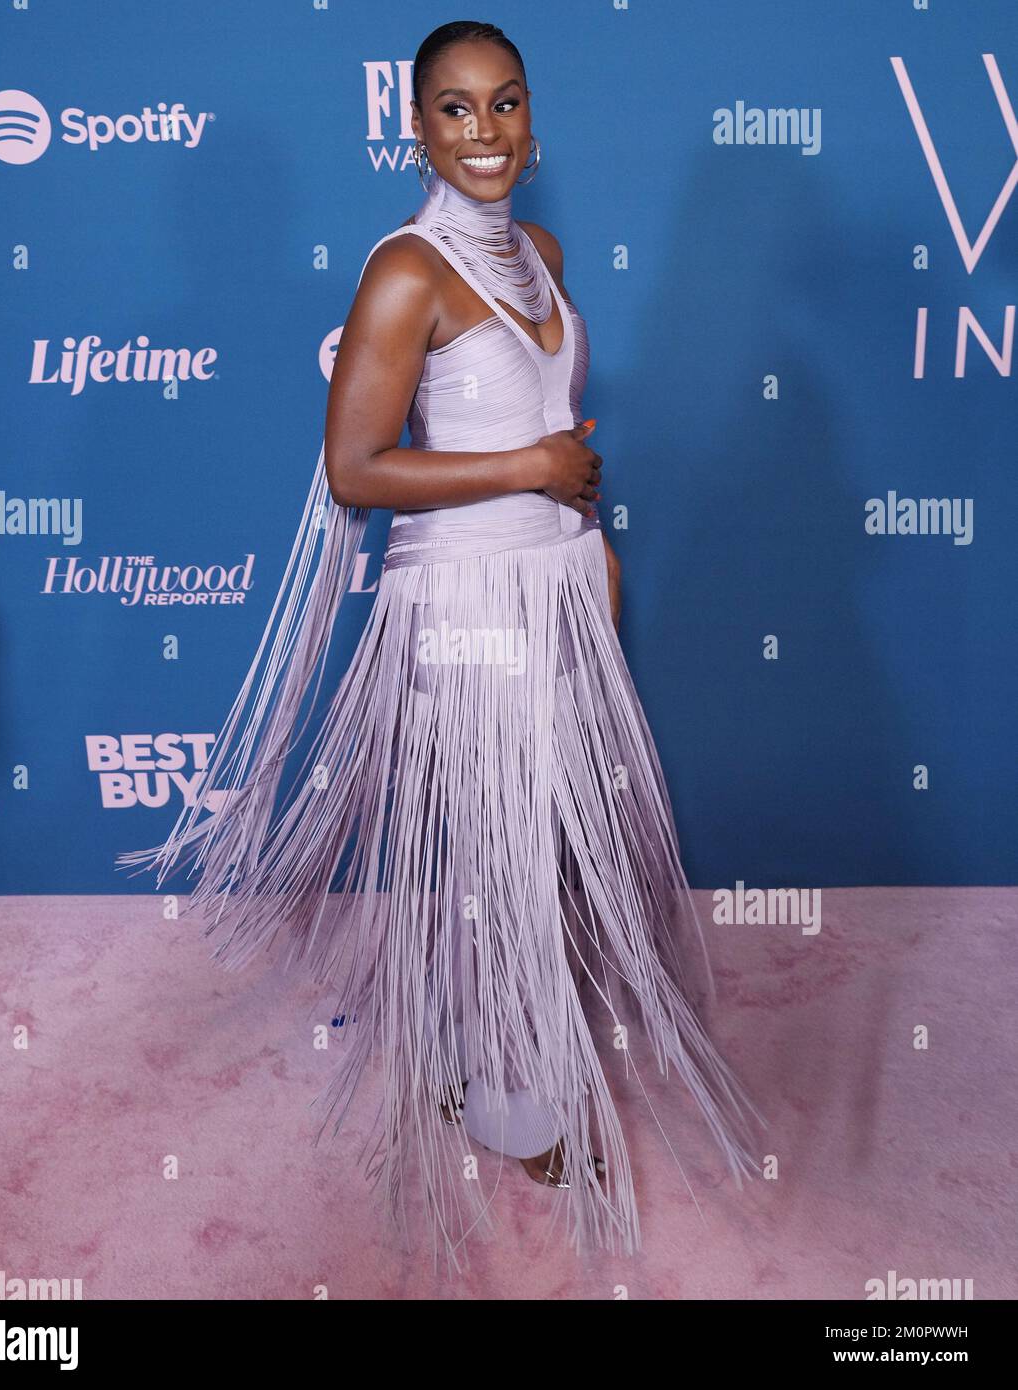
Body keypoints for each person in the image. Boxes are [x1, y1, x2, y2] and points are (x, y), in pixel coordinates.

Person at [119, 19, 764, 1271]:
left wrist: (590, 539)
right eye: (457, 110)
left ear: (531, 116)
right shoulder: (403, 273)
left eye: (506, 104)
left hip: (562, 592)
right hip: (465, 613)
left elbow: (558, 426)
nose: (486, 134)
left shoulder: (543, 254)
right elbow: (353, 466)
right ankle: (517, 1105)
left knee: (546, 857)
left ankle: (478, 1068)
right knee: (503, 853)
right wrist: (529, 467)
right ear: (415, 128)